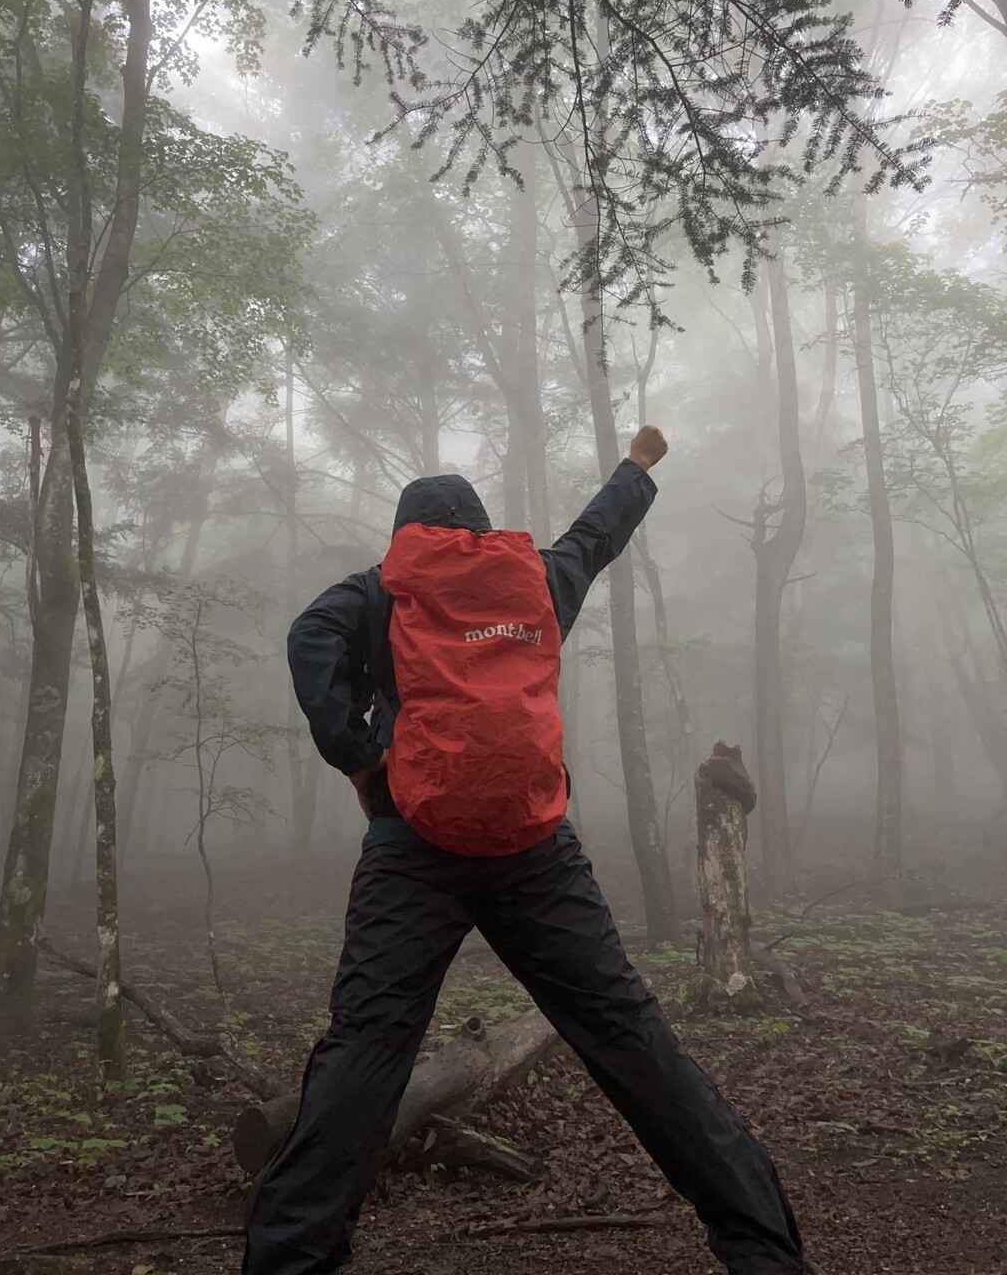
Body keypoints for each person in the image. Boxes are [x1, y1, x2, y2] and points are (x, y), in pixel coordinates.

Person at [243, 426, 809, 1275]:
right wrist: (635, 468)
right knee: (628, 1034)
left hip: (411, 848)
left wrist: (359, 757)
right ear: (480, 529)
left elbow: (307, 638)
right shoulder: (535, 578)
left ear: (406, 536)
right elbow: (595, 535)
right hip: (536, 846)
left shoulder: (380, 590)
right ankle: (765, 1253)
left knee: (365, 1048)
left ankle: (290, 1261)